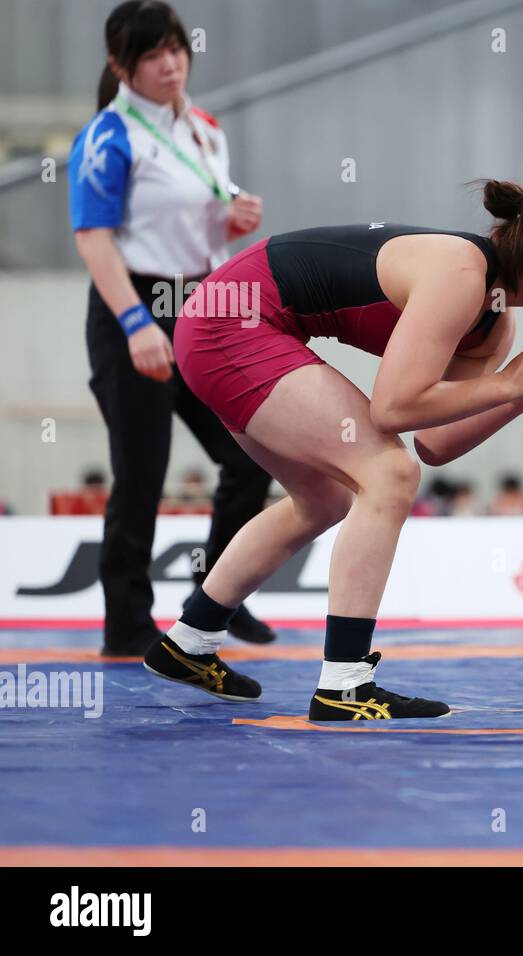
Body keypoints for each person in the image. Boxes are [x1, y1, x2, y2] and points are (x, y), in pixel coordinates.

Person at [144, 175, 523, 720]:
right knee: (387, 473)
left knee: (327, 501)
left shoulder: (493, 324)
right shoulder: (462, 273)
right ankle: (344, 683)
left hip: (228, 323)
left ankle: (189, 641)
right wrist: (508, 383)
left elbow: (434, 442)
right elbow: (393, 409)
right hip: (230, 321)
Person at [68, 0, 275, 655]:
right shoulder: (108, 136)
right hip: (134, 306)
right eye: (153, 55)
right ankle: (126, 626)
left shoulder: (206, 128)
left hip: (202, 308)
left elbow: (205, 222)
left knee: (250, 455)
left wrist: (233, 219)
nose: (170, 64)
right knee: (142, 472)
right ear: (121, 65)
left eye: (177, 50)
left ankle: (217, 596)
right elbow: (94, 238)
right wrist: (135, 322)